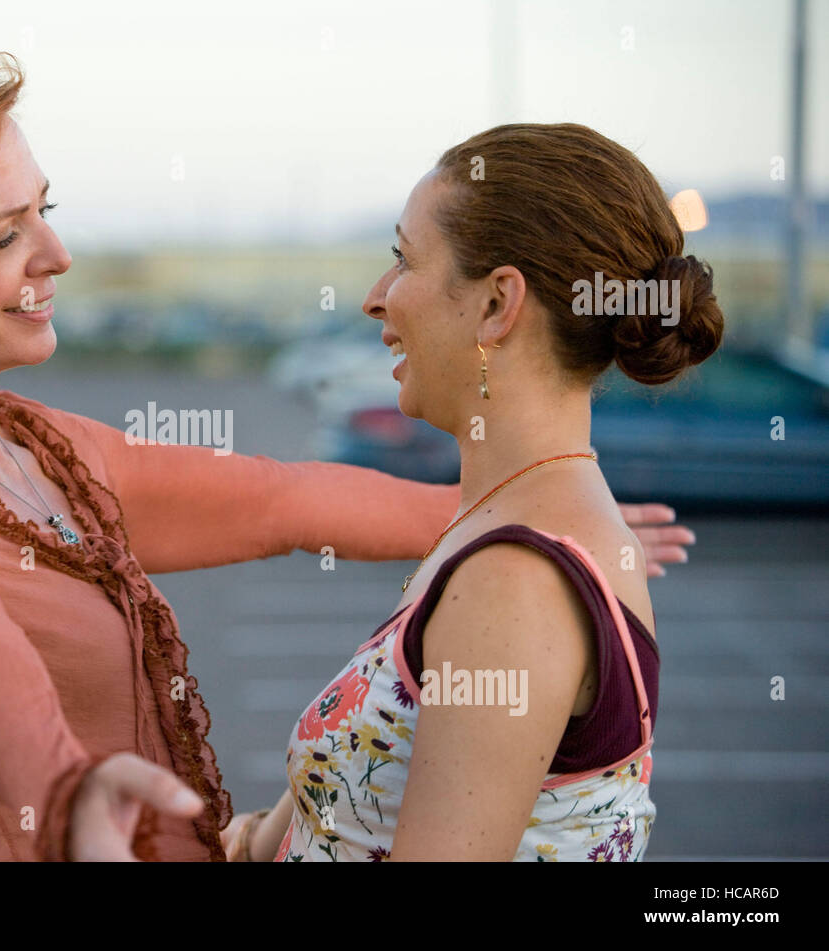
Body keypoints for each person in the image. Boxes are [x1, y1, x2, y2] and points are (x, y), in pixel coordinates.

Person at [0, 40, 693, 861]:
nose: (56, 255)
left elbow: (281, 500)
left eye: (46, 210)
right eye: (2, 237)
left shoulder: (50, 455)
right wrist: (67, 789)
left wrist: (527, 524)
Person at [222, 123, 722, 862]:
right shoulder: (503, 528)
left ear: (497, 305)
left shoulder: (516, 582)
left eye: (403, 259)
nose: (375, 298)